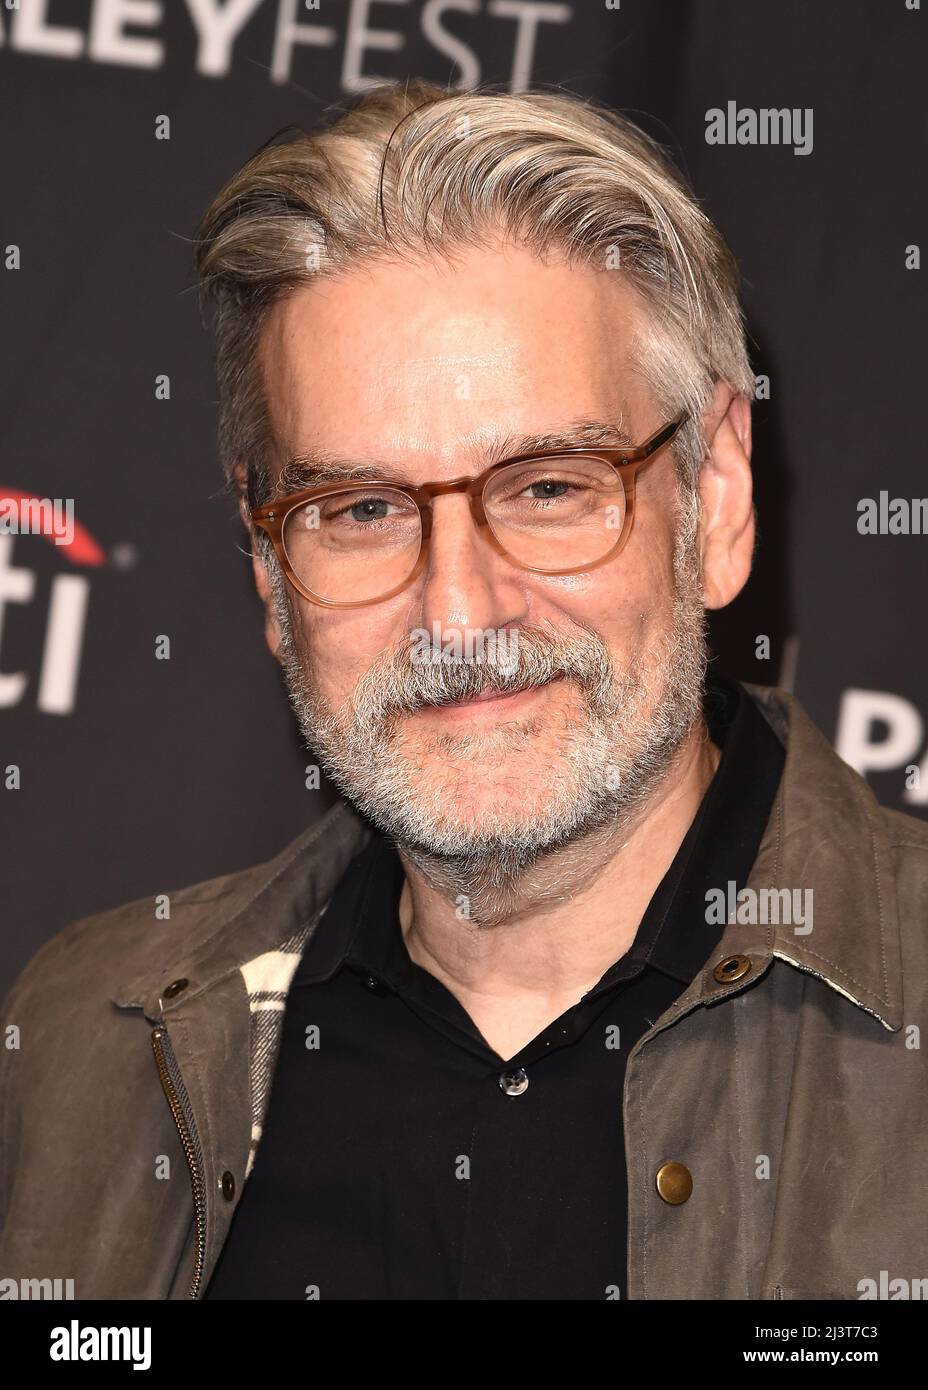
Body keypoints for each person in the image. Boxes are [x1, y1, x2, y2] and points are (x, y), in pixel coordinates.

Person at [2, 79, 926, 1303]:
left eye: (547, 486)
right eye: (362, 510)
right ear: (270, 568)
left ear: (714, 498)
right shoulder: (83, 1041)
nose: (458, 612)